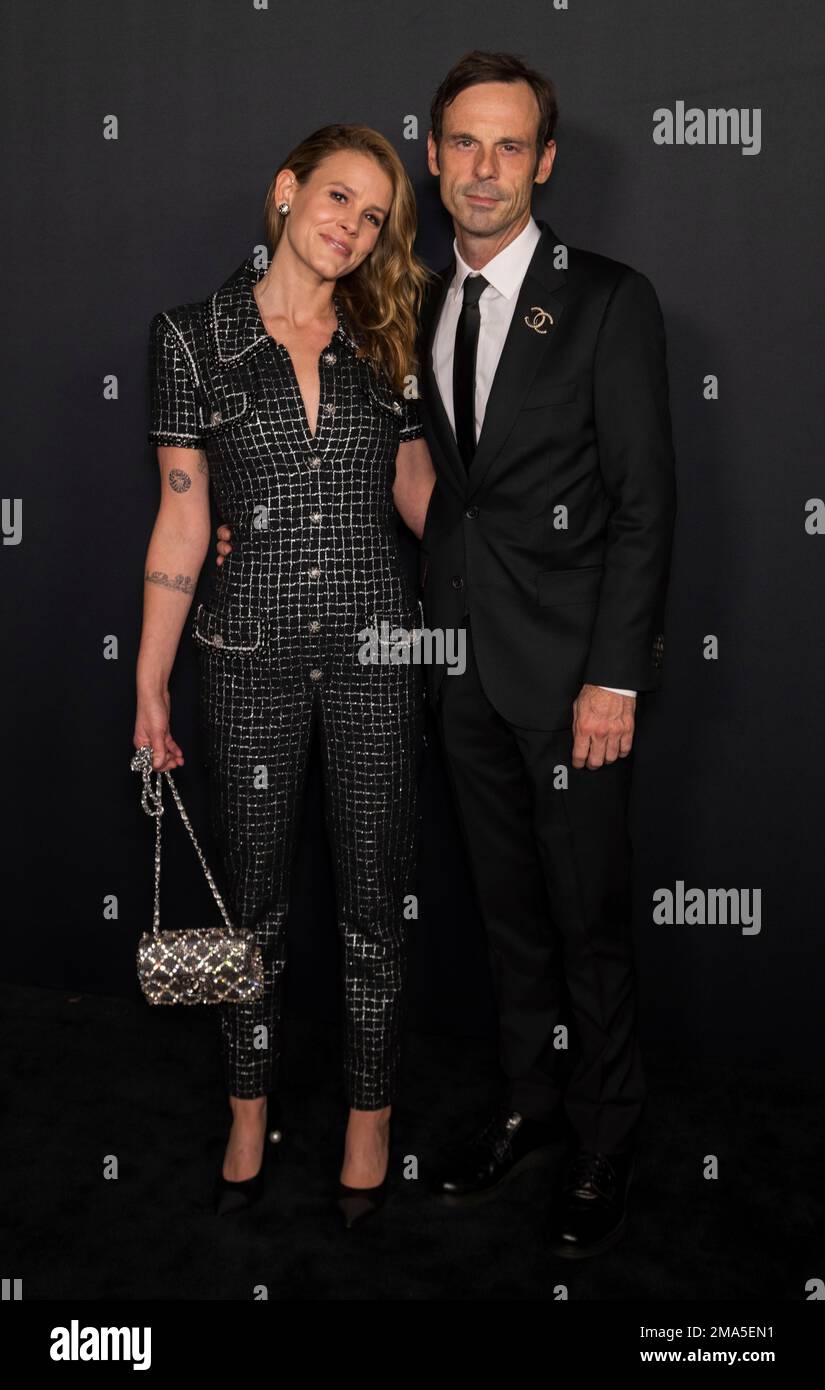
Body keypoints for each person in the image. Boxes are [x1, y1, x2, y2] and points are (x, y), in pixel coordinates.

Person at [216, 51, 677, 1258]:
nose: (484, 168)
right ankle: (531, 1106)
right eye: (463, 144)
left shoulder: (608, 301)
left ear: (544, 161)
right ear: (435, 154)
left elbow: (644, 507)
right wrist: (246, 502)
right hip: (456, 669)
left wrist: (615, 677)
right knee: (508, 919)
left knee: (589, 924)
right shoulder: (405, 303)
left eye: (508, 146)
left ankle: (605, 1133)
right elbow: (407, 470)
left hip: (577, 682)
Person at [134, 123, 437, 1226]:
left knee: (372, 906)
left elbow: (414, 486)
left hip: (375, 656)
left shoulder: (391, 334)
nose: (351, 228)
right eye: (338, 198)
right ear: (285, 192)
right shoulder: (192, 337)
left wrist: (505, 575)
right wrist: (151, 683)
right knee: (252, 910)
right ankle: (249, 1105)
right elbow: (182, 515)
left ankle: (369, 1117)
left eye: (374, 217)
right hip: (246, 658)